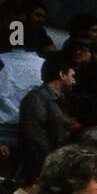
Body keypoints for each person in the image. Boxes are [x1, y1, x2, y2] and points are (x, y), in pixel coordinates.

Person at [18, 54, 75, 182]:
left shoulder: (59, 100)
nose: (74, 80)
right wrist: (50, 166)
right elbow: (34, 137)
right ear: (62, 74)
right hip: (40, 171)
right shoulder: (37, 98)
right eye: (72, 75)